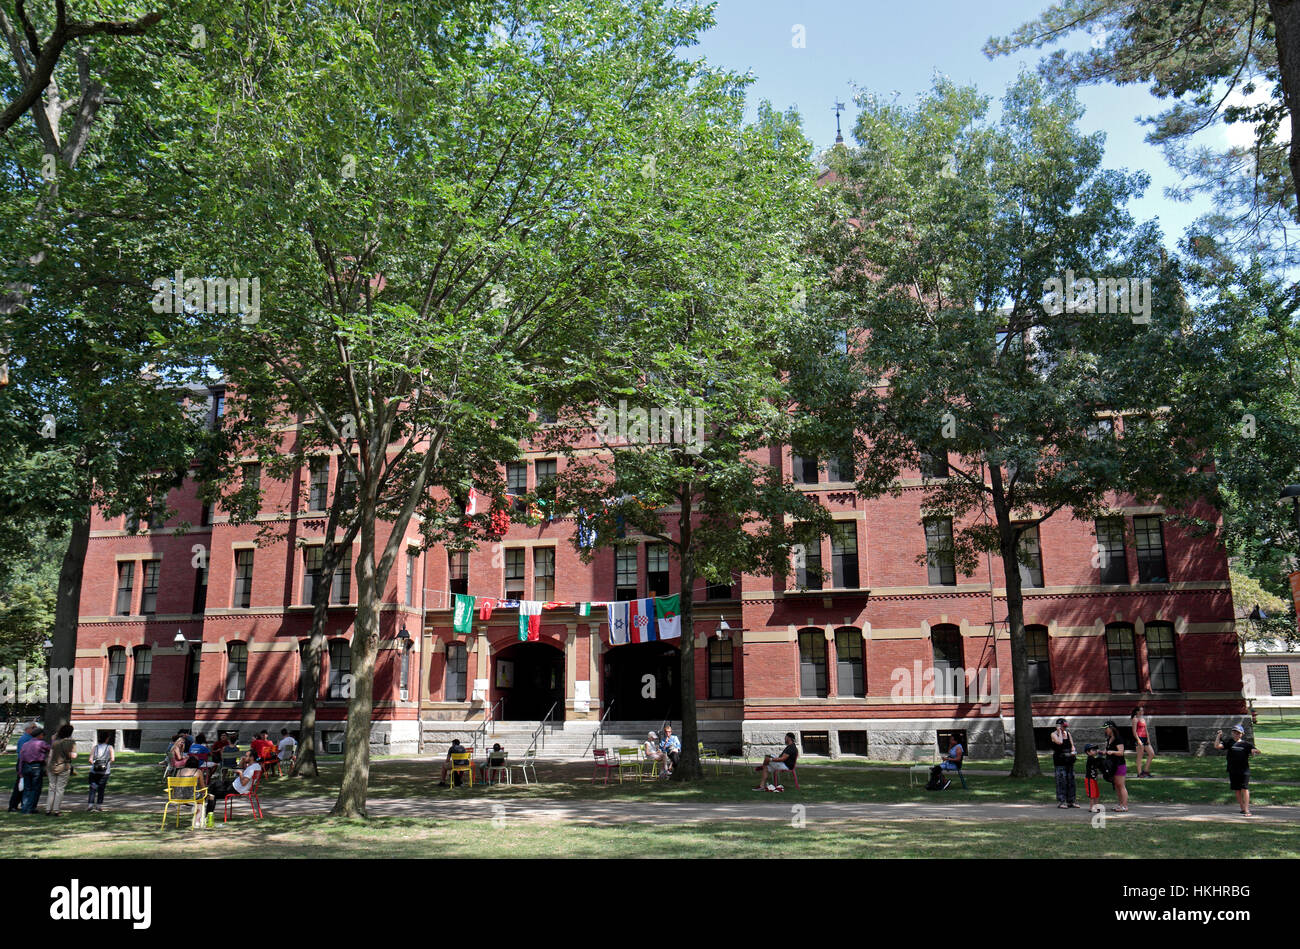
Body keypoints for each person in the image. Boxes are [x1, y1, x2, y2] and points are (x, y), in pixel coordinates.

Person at [1216, 724, 1260, 817]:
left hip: (1244, 770)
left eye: (1238, 733)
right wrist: (1218, 736)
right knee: (1237, 790)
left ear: (1242, 734)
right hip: (1232, 770)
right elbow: (1217, 746)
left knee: (1244, 788)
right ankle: (1242, 807)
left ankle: (1247, 810)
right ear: (1232, 733)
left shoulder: (1246, 744)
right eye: (1234, 732)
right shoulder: (1229, 742)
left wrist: (1254, 751)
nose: (1236, 734)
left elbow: (1257, 750)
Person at [45, 724, 77, 816]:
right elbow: (74, 756)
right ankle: (56, 810)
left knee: (51, 788)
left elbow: (50, 755)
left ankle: (48, 809)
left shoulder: (55, 742)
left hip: (52, 766)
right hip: (64, 767)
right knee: (60, 789)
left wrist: (47, 767)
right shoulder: (71, 743)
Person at [18, 726, 51, 814]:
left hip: (26, 766)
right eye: (43, 735)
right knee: (35, 788)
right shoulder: (41, 743)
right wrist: (53, 740)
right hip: (36, 766)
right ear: (40, 735)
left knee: (27, 788)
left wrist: (20, 771)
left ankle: (24, 807)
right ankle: (31, 807)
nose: (43, 737)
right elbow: (51, 748)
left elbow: (21, 759)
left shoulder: (25, 744)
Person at [7, 722, 38, 812]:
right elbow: (22, 754)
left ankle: (22, 804)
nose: (35, 729)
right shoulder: (25, 739)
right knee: (20, 785)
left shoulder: (30, 738)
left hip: (25, 763)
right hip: (24, 763)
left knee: (24, 785)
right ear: (27, 729)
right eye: (33, 727)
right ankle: (13, 805)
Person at [1050, 717, 1078, 808]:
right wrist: (1059, 732)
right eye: (1063, 726)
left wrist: (1073, 752)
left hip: (1069, 760)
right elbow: (1060, 742)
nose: (1065, 728)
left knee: (1071, 781)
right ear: (1058, 726)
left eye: (1065, 727)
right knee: (1061, 781)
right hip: (1060, 761)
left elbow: (1072, 746)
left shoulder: (1068, 733)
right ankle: (1062, 801)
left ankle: (1071, 801)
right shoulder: (1053, 734)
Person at [1103, 720, 1129, 812]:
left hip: (1119, 765)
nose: (1105, 730)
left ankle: (1125, 806)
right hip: (1112, 765)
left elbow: (1121, 752)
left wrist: (1112, 752)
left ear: (1111, 728)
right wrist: (1104, 752)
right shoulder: (1109, 739)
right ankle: (1120, 804)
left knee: (1121, 785)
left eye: (1106, 728)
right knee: (1117, 786)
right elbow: (1109, 750)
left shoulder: (1118, 739)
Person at [86, 734, 115, 812]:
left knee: (93, 788)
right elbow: (112, 759)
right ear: (106, 739)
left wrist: (95, 764)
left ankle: (90, 805)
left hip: (94, 770)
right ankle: (99, 805)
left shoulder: (95, 747)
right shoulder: (110, 747)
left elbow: (90, 760)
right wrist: (106, 764)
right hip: (105, 771)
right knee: (101, 788)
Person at [1131, 705, 1156, 777]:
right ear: (1137, 712)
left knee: (1152, 754)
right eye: (1141, 710)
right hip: (1139, 738)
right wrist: (1138, 740)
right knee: (1140, 756)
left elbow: (1146, 730)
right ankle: (1139, 773)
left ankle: (1145, 771)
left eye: (1143, 710)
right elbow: (1134, 731)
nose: (1143, 711)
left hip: (1145, 738)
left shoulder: (1143, 719)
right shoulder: (1135, 719)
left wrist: (1148, 739)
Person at [1083, 743, 1105, 812]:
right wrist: (1100, 754)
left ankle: (1096, 807)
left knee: (1096, 794)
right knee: (1092, 795)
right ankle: (1091, 807)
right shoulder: (1090, 758)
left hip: (1094, 779)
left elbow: (1098, 763)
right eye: (1093, 750)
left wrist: (1100, 755)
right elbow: (1096, 761)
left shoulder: (1093, 758)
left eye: (1095, 750)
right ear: (1088, 752)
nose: (1095, 751)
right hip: (1089, 779)